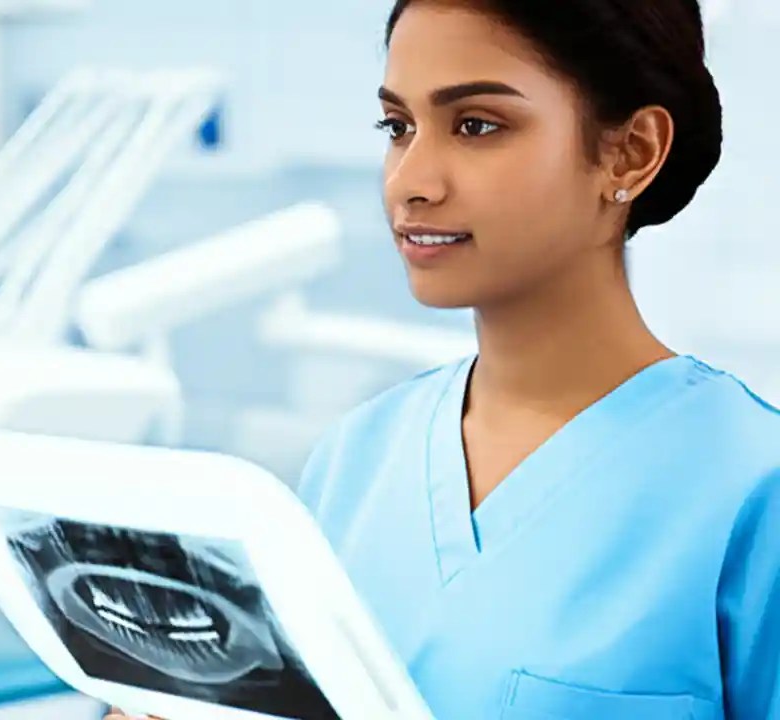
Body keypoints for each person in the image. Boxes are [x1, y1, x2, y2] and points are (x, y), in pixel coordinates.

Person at [108, 0, 779, 717]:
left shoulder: (750, 486)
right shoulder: (357, 458)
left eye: (476, 126)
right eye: (398, 128)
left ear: (630, 152)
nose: (411, 181)